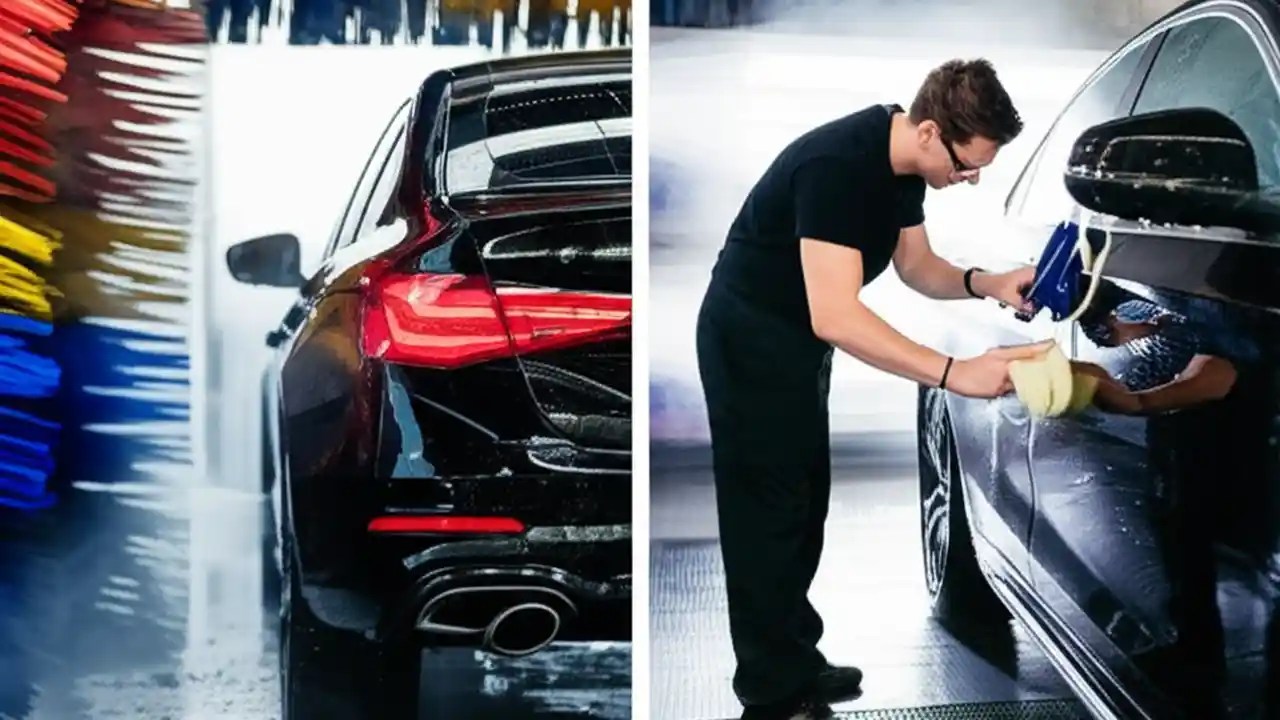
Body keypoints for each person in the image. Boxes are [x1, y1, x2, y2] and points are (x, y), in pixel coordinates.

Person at [695, 58, 1052, 720]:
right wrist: (955, 373)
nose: (968, 179)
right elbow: (835, 314)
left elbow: (916, 267)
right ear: (927, 132)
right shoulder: (837, 166)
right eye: (965, 165)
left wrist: (990, 282)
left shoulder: (904, 169)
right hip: (749, 337)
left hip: (796, 339)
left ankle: (793, 654)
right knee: (766, 514)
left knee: (805, 504)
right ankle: (770, 690)